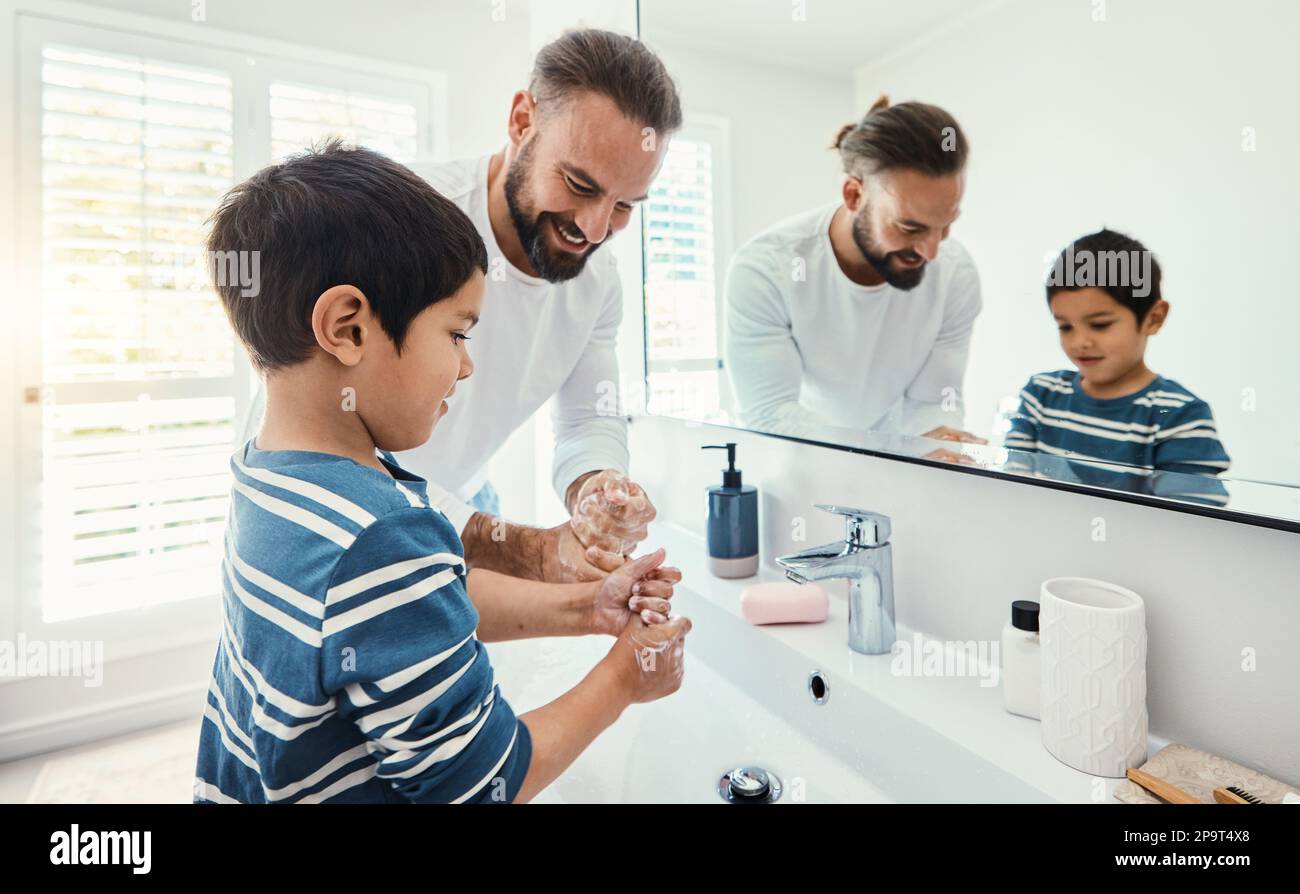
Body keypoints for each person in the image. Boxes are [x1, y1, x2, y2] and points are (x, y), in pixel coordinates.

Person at [194, 142, 691, 804]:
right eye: (457, 334)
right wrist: (624, 680)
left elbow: (404, 615)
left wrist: (587, 609)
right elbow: (484, 784)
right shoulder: (386, 537)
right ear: (347, 328)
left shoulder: (267, 477)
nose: (467, 366)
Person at [238, 29, 684, 586]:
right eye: (578, 184)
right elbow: (318, 441)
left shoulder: (600, 282)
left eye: (624, 206)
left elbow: (588, 416)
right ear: (522, 120)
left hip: (467, 499)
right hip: (349, 518)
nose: (594, 229)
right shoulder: (403, 226)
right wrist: (532, 553)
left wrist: (598, 488)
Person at [723, 95, 985, 446]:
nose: (932, 251)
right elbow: (771, 412)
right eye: (910, 228)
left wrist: (940, 447)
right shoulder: (765, 270)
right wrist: (892, 450)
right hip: (799, 460)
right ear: (853, 194)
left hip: (900, 465)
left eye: (946, 225)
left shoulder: (957, 275)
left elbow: (933, 401)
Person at [1005, 228, 1231, 476]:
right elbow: (1014, 491)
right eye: (1065, 326)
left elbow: (1185, 513)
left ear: (1153, 318)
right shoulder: (1041, 396)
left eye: (1100, 325)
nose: (1079, 342)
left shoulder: (1180, 417)